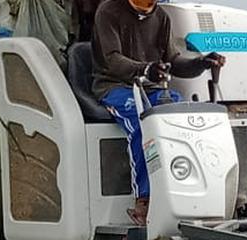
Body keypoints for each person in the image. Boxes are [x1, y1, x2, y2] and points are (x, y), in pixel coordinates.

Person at [92, 0, 225, 225]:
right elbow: (112, 60)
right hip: (115, 87)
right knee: (144, 122)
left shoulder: (161, 17)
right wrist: (145, 70)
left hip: (151, 88)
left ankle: (192, 192)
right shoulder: (109, 11)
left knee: (181, 117)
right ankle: (144, 200)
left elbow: (173, 60)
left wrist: (201, 63)